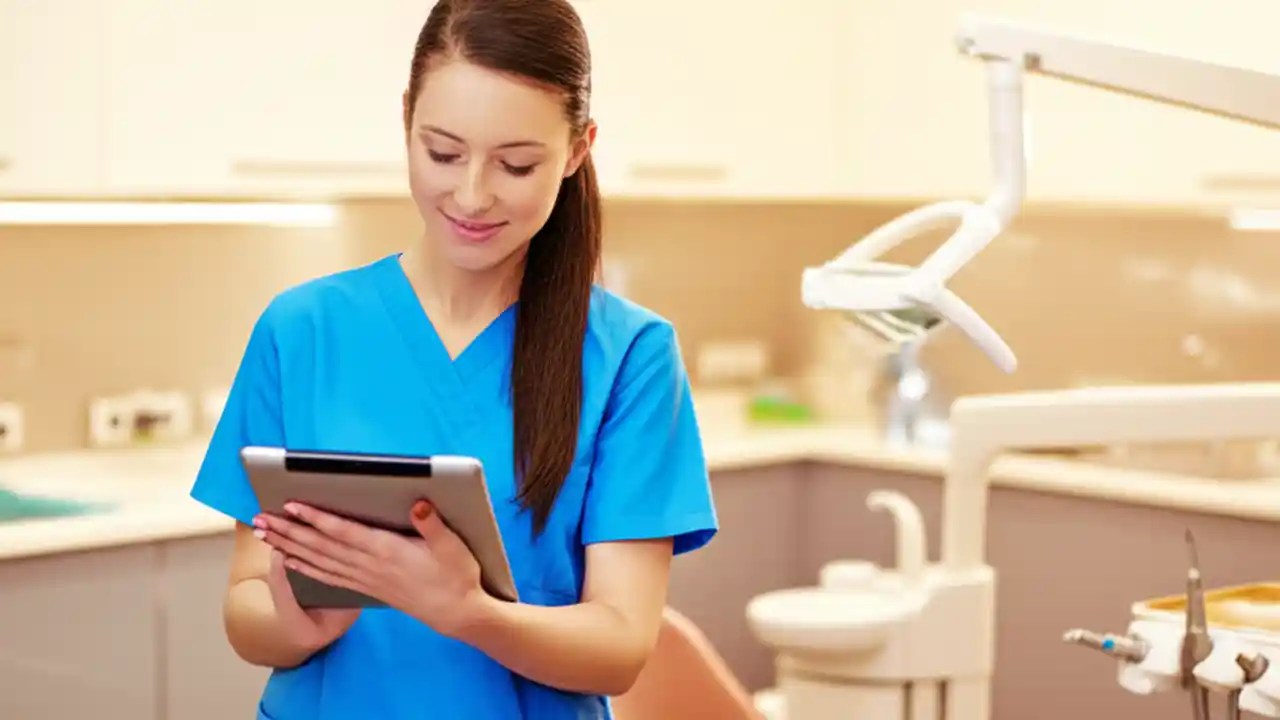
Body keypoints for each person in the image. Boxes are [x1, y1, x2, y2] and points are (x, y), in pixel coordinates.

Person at [188, 0, 719, 717]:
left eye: (517, 164)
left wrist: (466, 611)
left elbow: (621, 645)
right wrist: (297, 616)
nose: (471, 194)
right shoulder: (302, 330)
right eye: (442, 153)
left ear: (577, 150)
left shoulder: (630, 357)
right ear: (406, 118)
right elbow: (245, 603)